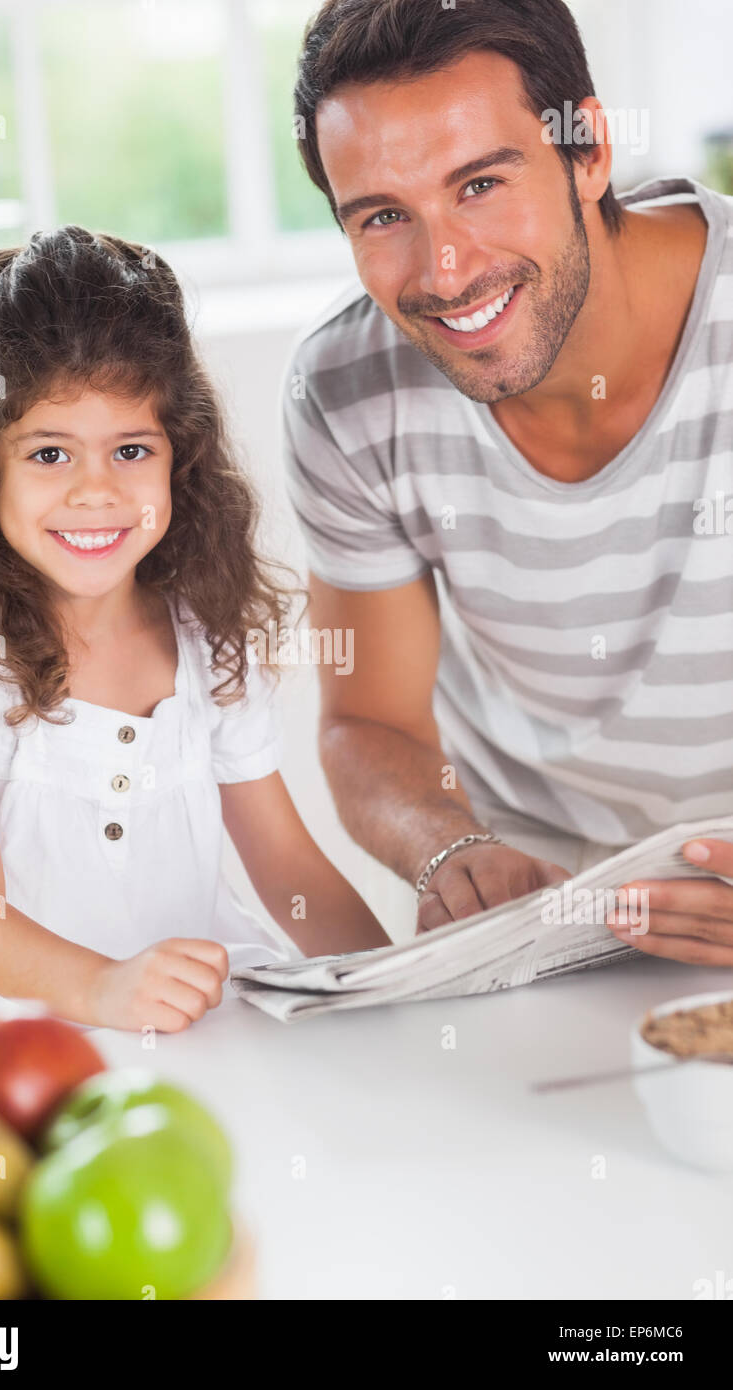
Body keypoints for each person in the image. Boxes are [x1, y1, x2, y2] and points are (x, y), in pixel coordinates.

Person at [282, 0, 733, 964]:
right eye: (385, 217)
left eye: (481, 184)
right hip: (544, 926)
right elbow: (367, 724)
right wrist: (450, 850)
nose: (446, 271)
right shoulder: (344, 392)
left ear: (589, 151)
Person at [0, 225, 388, 1057]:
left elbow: (289, 869)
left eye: (131, 449)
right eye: (49, 453)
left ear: (180, 460)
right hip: (1, 1054)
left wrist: (390, 988)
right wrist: (103, 986)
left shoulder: (208, 644)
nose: (96, 492)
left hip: (186, 1038)